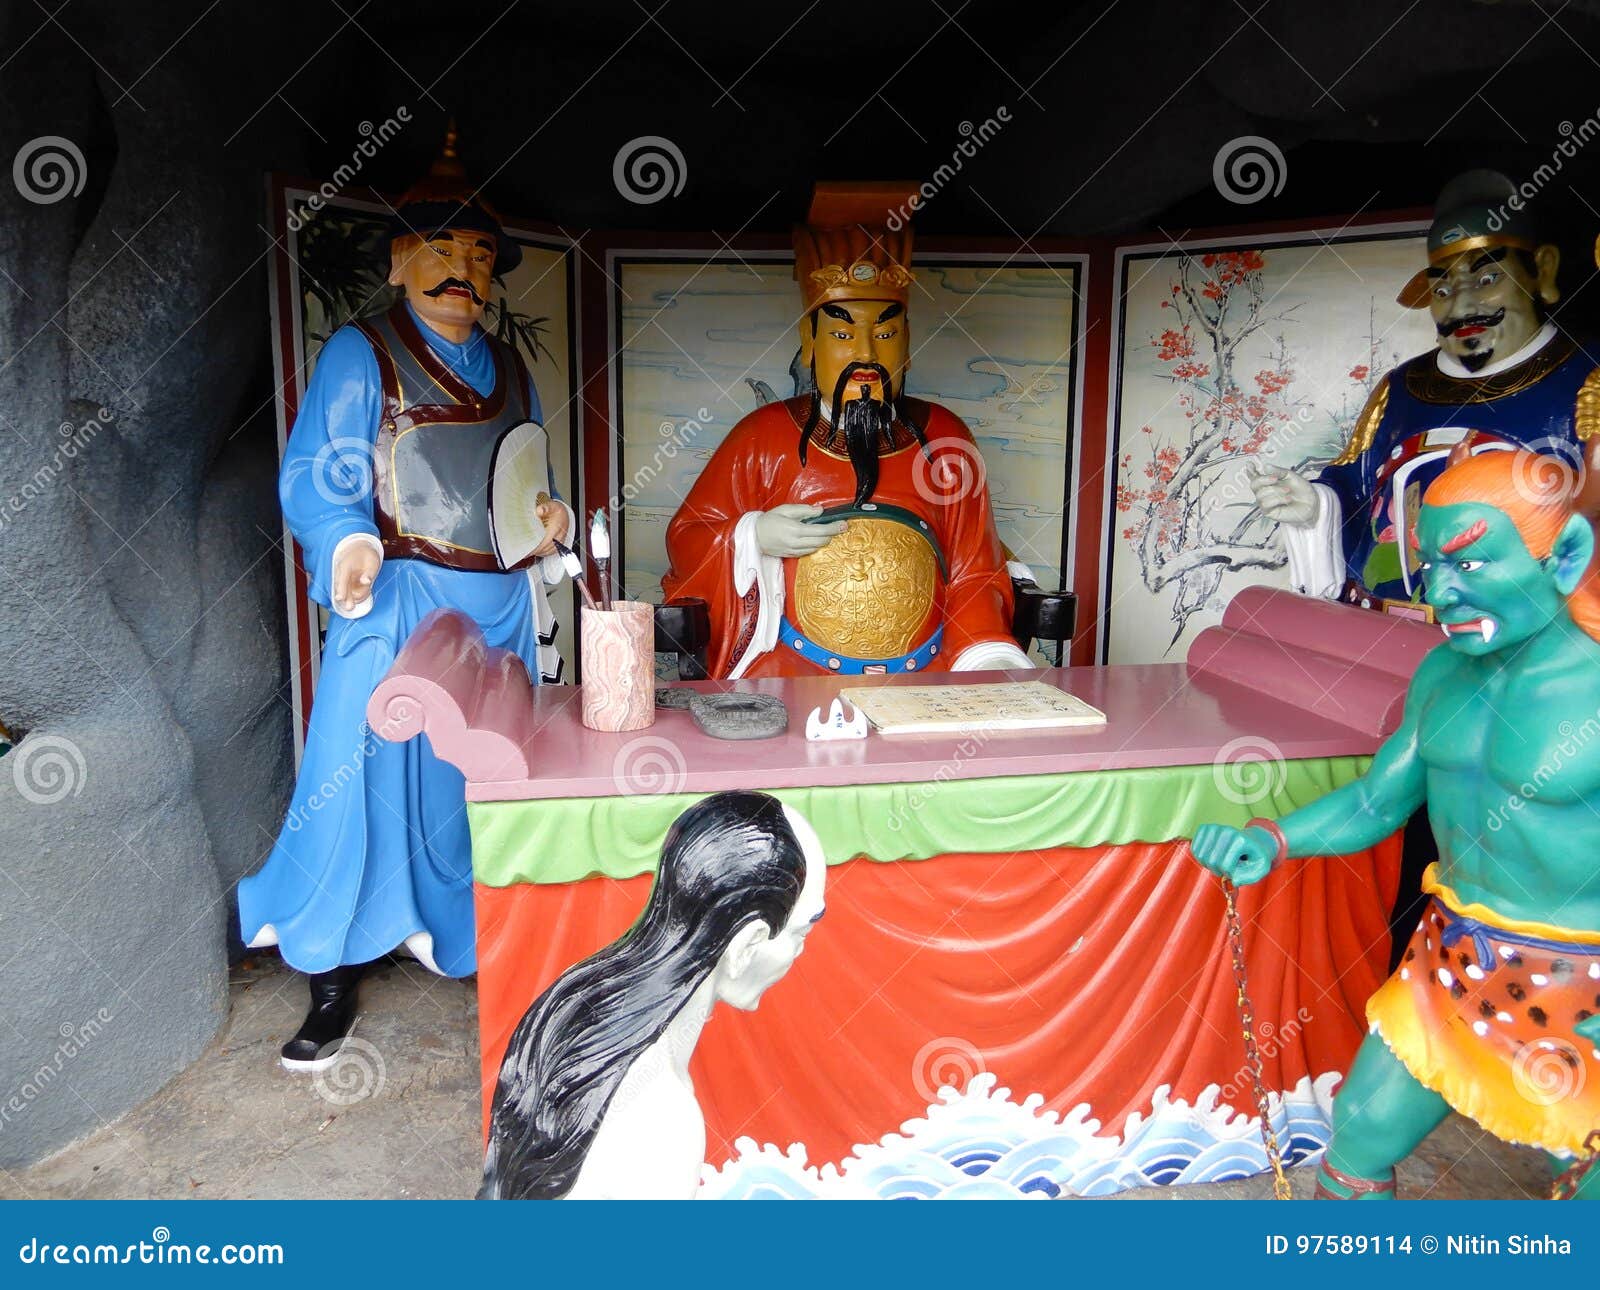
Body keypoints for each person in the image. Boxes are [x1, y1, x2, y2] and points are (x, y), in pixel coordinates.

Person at [240, 127, 574, 1070]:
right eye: (442, 249)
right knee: (355, 774)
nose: (462, 271)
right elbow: (317, 470)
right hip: (396, 594)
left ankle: (472, 929)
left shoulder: (511, 369)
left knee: (475, 779)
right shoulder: (364, 353)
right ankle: (332, 964)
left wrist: (549, 518)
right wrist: (346, 539)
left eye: (480, 256)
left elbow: (523, 478)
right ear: (398, 261)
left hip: (496, 605)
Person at [1192, 447, 1600, 1198]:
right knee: (1358, 1139)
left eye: (1468, 564)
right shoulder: (1442, 674)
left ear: (1565, 557)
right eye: (1429, 566)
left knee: (1585, 1191)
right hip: (1454, 960)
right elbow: (1377, 802)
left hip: (1583, 988)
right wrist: (1271, 839)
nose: (1439, 593)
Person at [662, 182, 1031, 678]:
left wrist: (986, 655)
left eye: (885, 333)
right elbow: (687, 537)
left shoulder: (945, 439)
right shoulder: (762, 439)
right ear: (809, 341)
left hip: (924, 670)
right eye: (841, 333)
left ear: (907, 343)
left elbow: (974, 571)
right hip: (789, 667)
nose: (866, 354)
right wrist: (752, 537)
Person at [1251, 170, 1597, 621]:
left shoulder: (1586, 377)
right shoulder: (1401, 388)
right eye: (1442, 289)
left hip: (1522, 644)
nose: (1462, 307)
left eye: (1487, 278)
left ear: (1541, 271)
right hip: (1385, 627)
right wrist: (1316, 508)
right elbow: (1355, 485)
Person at [479, 792, 827, 1200]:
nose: (800, 951)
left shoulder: (572, 999)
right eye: (801, 933)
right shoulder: (663, 1122)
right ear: (746, 945)